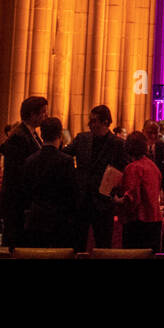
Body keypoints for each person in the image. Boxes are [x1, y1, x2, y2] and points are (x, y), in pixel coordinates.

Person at [64, 104, 128, 250]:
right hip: (82, 200)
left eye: (94, 121)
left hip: (104, 202)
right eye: (90, 121)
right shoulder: (82, 138)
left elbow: (124, 169)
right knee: (78, 243)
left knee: (103, 244)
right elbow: (65, 156)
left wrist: (115, 193)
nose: (90, 124)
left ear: (105, 122)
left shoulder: (118, 144)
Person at [22, 116, 80, 249]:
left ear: (41, 135)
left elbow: (25, 190)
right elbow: (72, 192)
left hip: (36, 219)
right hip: (60, 221)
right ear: (60, 135)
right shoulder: (66, 161)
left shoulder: (30, 160)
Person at [0, 96, 48, 248]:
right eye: (43, 112)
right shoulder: (19, 137)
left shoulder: (32, 134)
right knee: (16, 244)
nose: (45, 116)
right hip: (18, 203)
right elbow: (17, 173)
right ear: (33, 114)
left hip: (26, 202)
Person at [117, 131, 163, 251]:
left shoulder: (133, 168)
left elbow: (132, 198)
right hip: (155, 220)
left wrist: (116, 200)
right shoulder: (153, 166)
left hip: (138, 222)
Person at [143, 119, 164, 188]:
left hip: (159, 186)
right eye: (150, 133)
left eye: (155, 133)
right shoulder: (138, 147)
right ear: (143, 131)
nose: (153, 136)